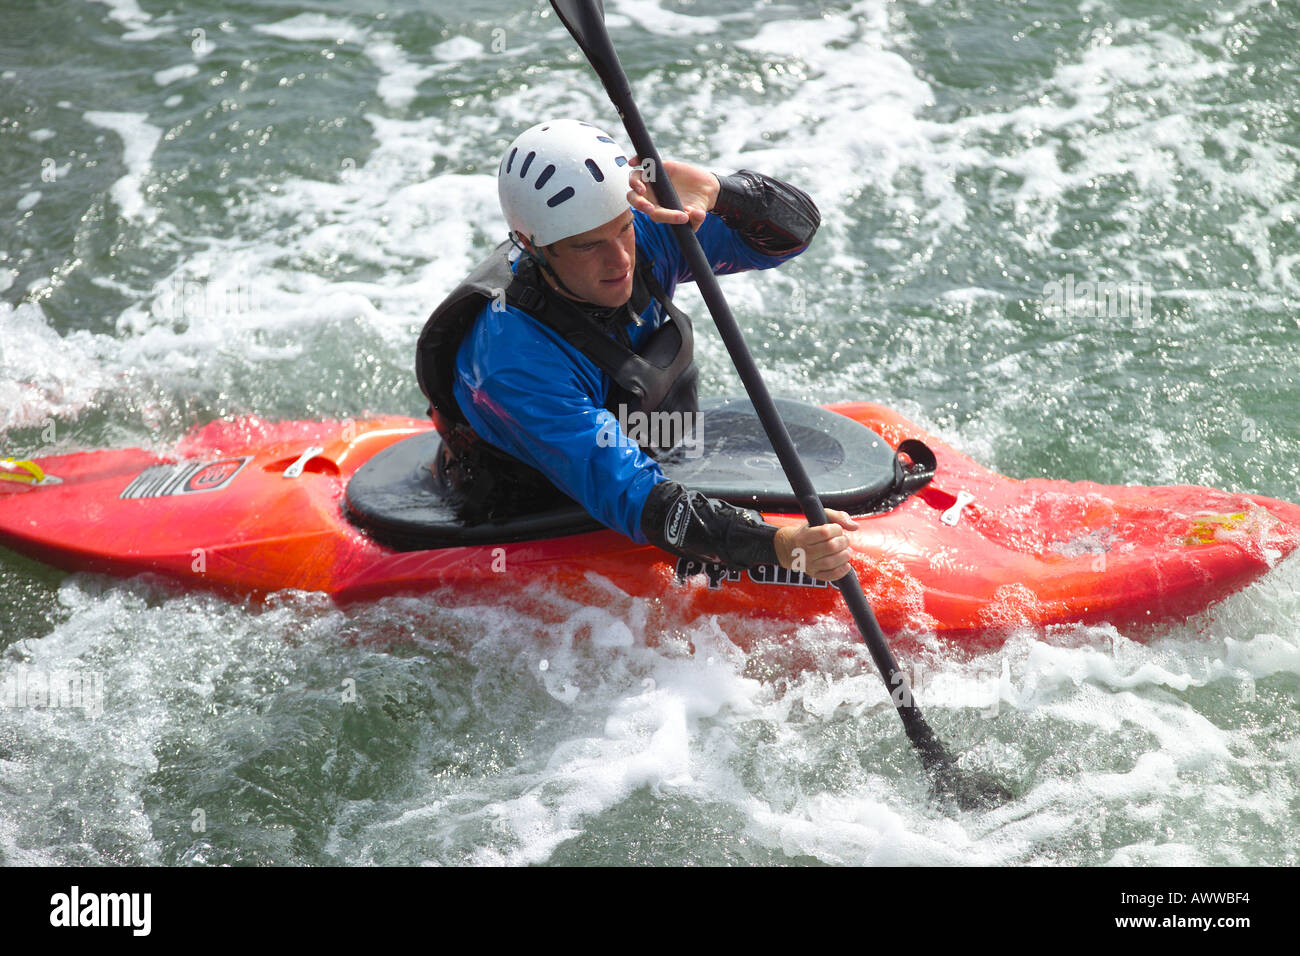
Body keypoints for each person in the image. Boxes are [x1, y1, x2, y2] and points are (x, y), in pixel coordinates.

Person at [416, 119, 857, 581]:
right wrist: (777, 545)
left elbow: (792, 236)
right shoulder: (513, 364)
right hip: (532, 497)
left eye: (623, 230)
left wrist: (719, 190)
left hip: (643, 440)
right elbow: (633, 494)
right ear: (532, 247)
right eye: (588, 247)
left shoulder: (645, 232)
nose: (621, 260)